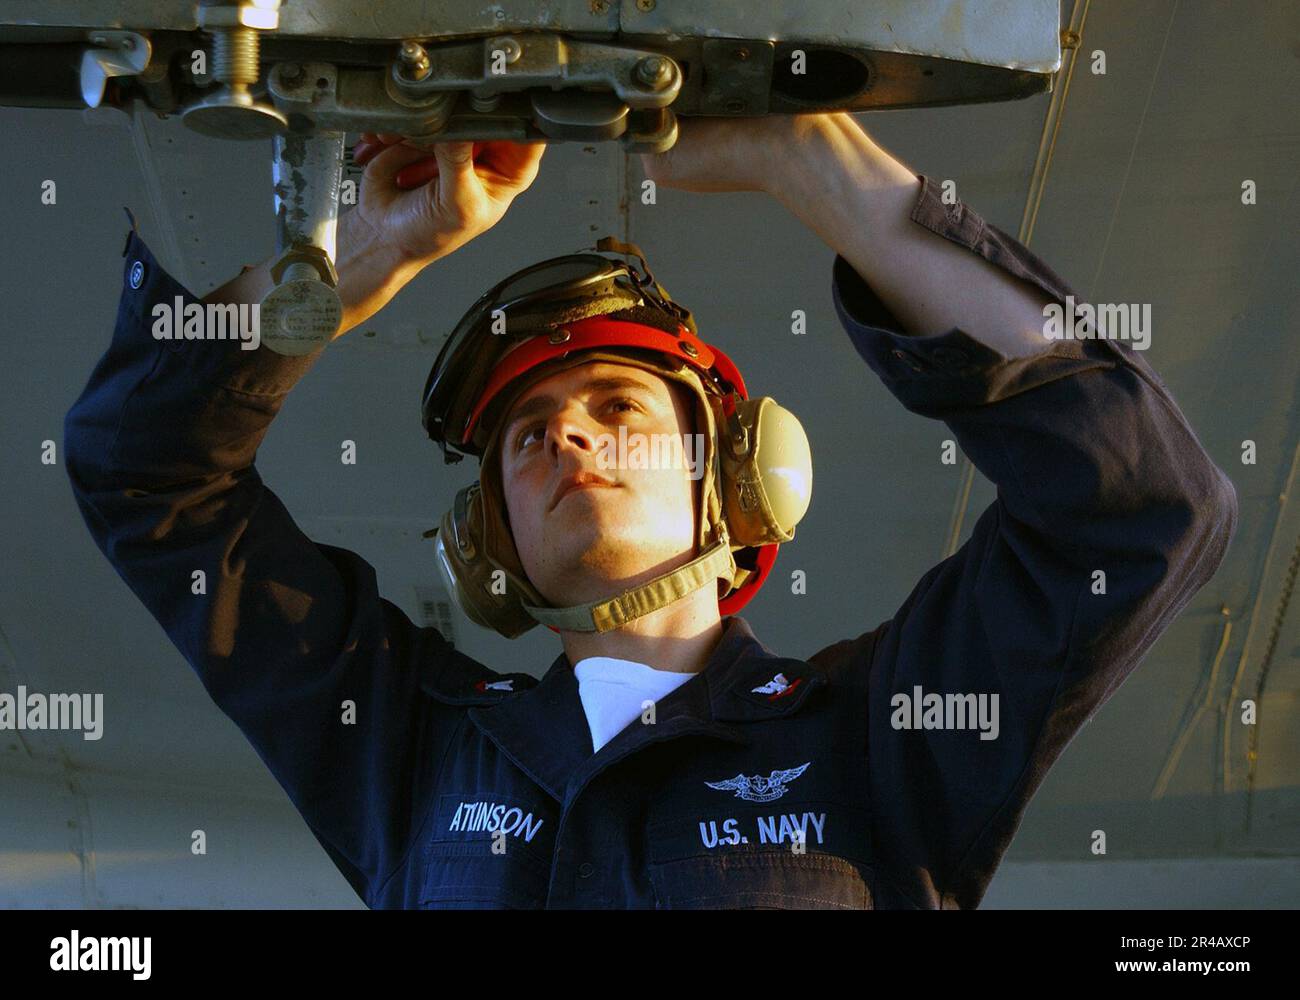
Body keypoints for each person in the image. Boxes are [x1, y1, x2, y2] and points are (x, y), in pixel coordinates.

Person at [64, 112, 1238, 909]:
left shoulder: (879, 737)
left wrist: (815, 165)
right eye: (526, 436)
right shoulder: (409, 750)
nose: (567, 434)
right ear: (488, 538)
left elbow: (1138, 511)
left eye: (616, 403)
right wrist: (355, 256)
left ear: (731, 472)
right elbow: (142, 472)